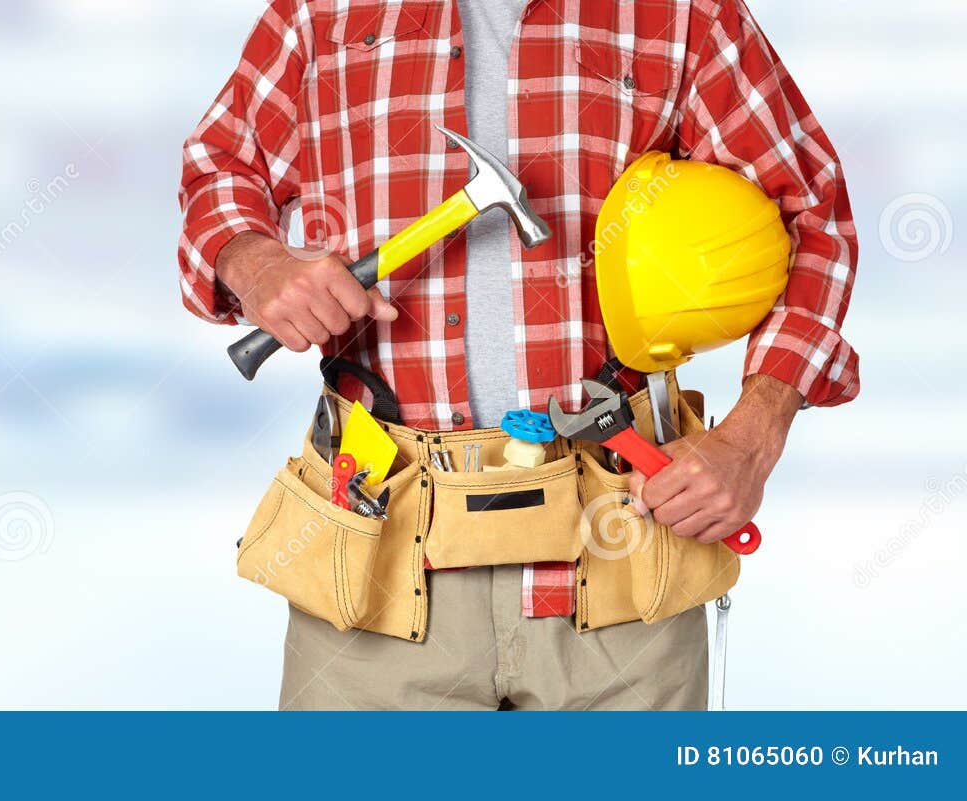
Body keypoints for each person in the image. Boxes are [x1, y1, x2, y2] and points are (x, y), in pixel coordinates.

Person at [177, 0, 857, 709]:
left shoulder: (683, 12)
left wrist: (750, 439)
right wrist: (254, 262)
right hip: (377, 548)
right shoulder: (322, 11)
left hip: (622, 539)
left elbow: (812, 217)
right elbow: (219, 166)